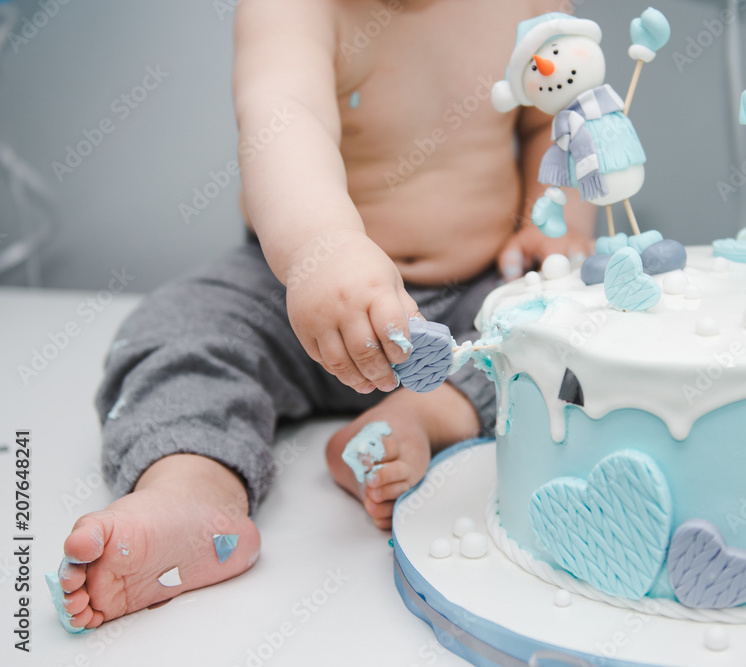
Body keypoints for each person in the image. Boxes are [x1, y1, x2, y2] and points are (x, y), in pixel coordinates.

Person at [53, 0, 595, 631]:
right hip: (291, 292)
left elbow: (554, 118)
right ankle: (191, 491)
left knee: (544, 337)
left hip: (470, 301)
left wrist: (554, 221)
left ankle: (417, 418)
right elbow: (285, 114)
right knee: (182, 329)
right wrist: (321, 248)